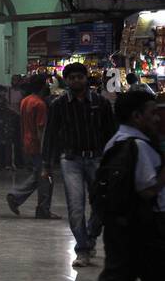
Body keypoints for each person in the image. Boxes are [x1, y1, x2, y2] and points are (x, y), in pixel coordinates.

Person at [42, 90, 165, 281]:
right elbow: (147, 189)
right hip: (145, 233)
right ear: (136, 116)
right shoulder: (139, 147)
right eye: (151, 112)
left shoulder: (116, 142)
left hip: (121, 232)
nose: (156, 117)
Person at [42, 61, 117, 268]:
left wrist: (113, 161)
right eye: (72, 77)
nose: (76, 80)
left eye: (80, 77)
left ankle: (91, 236)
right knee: (75, 208)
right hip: (70, 161)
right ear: (66, 80)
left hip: (97, 159)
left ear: (86, 79)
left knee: (101, 204)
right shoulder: (59, 105)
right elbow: (50, 135)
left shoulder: (100, 103)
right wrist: (46, 164)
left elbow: (111, 133)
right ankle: (82, 250)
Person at [6, 77, 57, 220]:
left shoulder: (25, 101)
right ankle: (42, 209)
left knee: (38, 174)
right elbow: (41, 128)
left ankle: (16, 197)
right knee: (46, 176)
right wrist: (44, 149)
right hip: (38, 144)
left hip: (27, 141)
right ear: (42, 87)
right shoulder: (40, 104)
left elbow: (23, 123)